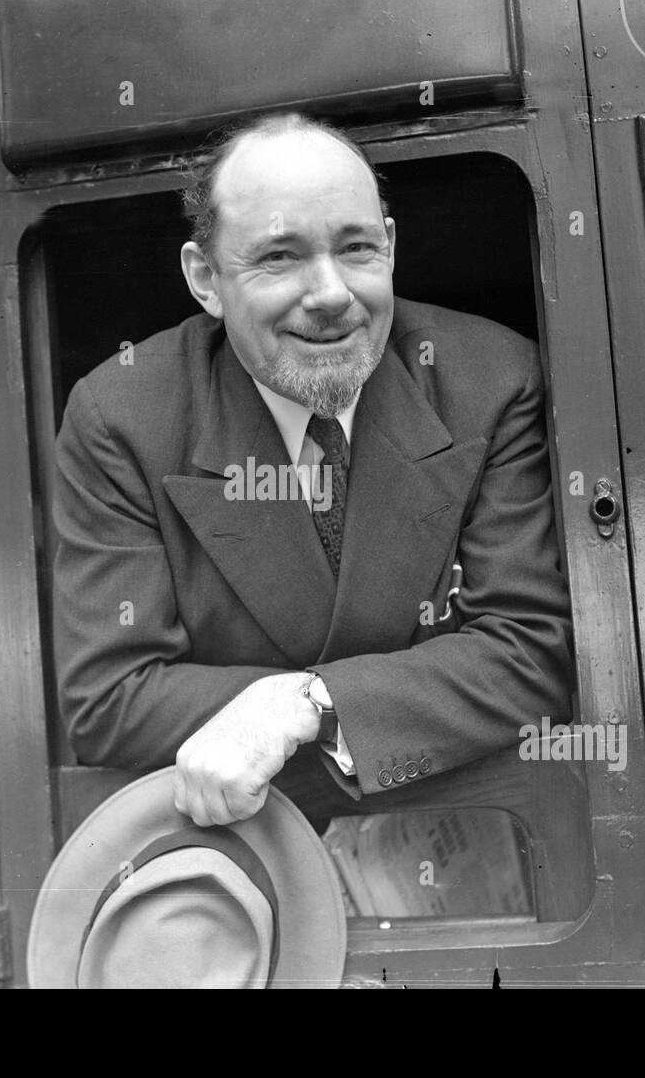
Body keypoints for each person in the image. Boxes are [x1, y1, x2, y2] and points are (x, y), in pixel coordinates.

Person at [52, 111, 573, 828]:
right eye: (279, 257)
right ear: (204, 278)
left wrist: (305, 706)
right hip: (249, 858)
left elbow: (532, 653)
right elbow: (110, 699)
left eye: (356, 248)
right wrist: (357, 701)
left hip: (482, 839)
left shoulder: (493, 378)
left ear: (390, 248)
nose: (330, 294)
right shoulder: (122, 416)